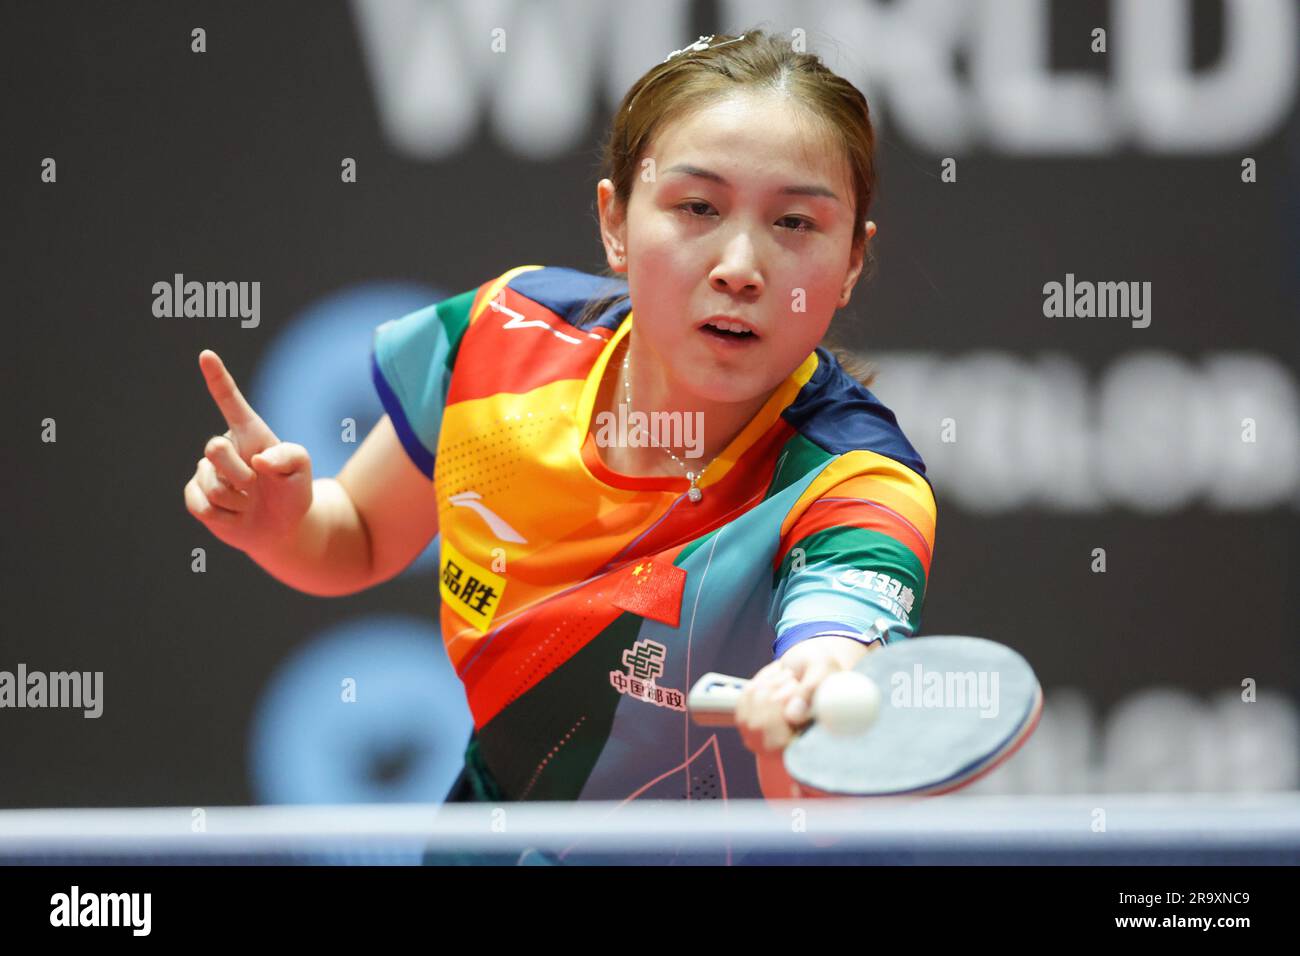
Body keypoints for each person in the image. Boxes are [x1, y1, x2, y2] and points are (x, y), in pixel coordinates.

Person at [183, 28, 935, 808]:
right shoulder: (503, 338)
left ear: (849, 262)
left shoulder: (856, 486)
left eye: (795, 224)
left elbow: (835, 655)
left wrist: (816, 693)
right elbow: (364, 537)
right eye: (698, 206)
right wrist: (282, 524)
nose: (740, 268)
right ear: (615, 221)